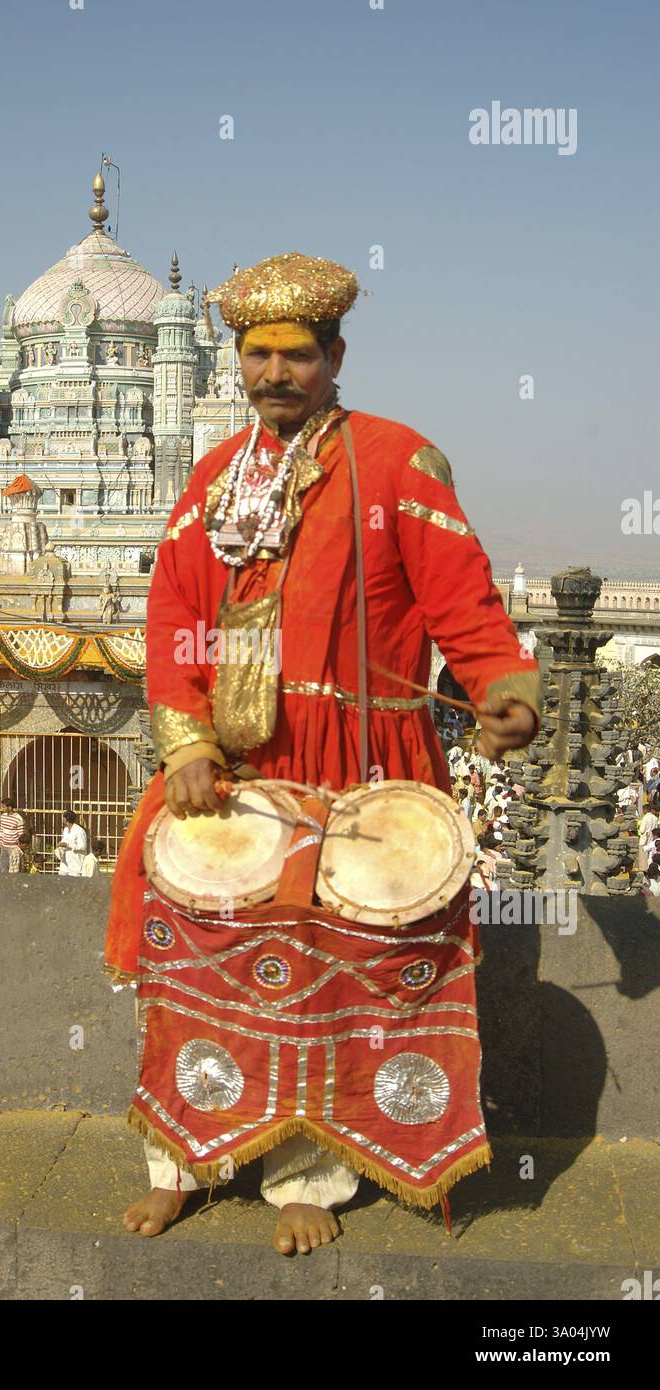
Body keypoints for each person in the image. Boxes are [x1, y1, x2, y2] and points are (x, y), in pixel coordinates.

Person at [105, 251, 540, 1256]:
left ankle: (309, 1172)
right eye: (257, 355)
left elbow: (463, 602)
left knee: (332, 968)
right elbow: (174, 614)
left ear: (335, 356)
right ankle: (184, 1156)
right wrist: (185, 736)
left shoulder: (398, 461)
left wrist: (502, 687)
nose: (274, 374)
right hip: (228, 770)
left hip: (361, 763)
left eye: (295, 355)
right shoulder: (214, 477)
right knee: (190, 959)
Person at [56, 811, 92, 876]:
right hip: (64, 865)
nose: (62, 819)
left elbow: (83, 846)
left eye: (63, 817)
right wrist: (59, 847)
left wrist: (68, 845)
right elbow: (63, 841)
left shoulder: (79, 831)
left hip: (75, 865)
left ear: (66, 819)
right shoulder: (66, 830)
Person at [0, 798, 26, 873]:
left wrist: (20, 849)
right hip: (4, 847)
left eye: (4, 807)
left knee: (14, 870)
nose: (2, 809)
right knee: (2, 869)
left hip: (14, 848)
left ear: (9, 807)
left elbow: (21, 835)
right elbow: (1, 832)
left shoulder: (18, 819)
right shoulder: (3, 817)